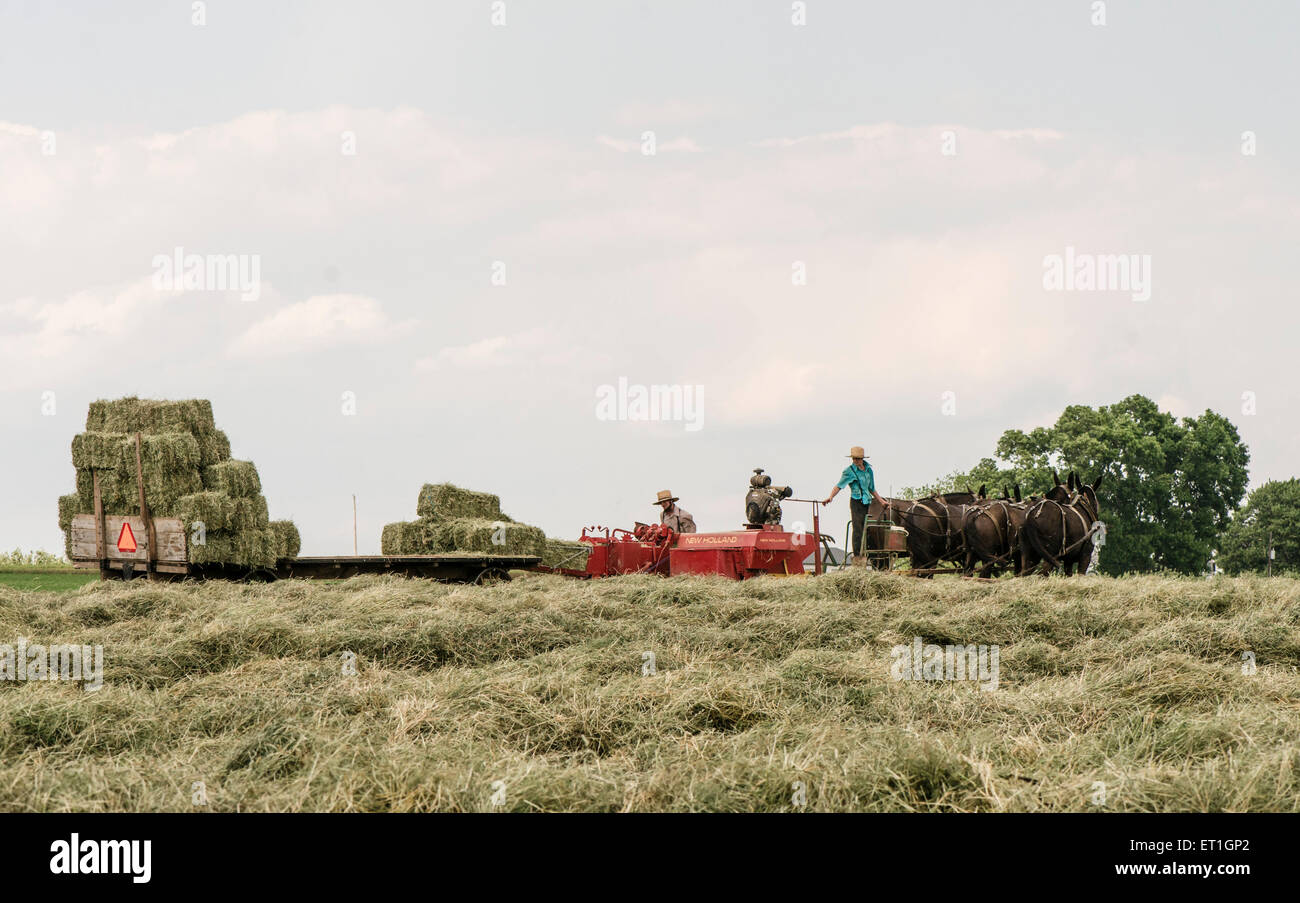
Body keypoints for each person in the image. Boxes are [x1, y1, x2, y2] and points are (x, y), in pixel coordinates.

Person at [822, 446, 886, 563]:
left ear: (862, 458)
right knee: (858, 529)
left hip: (868, 502)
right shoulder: (849, 471)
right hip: (856, 502)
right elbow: (839, 486)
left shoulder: (868, 470)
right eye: (854, 459)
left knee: (868, 529)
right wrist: (830, 497)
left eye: (858, 459)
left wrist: (881, 501)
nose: (855, 461)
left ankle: (869, 553)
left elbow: (871, 488)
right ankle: (858, 557)